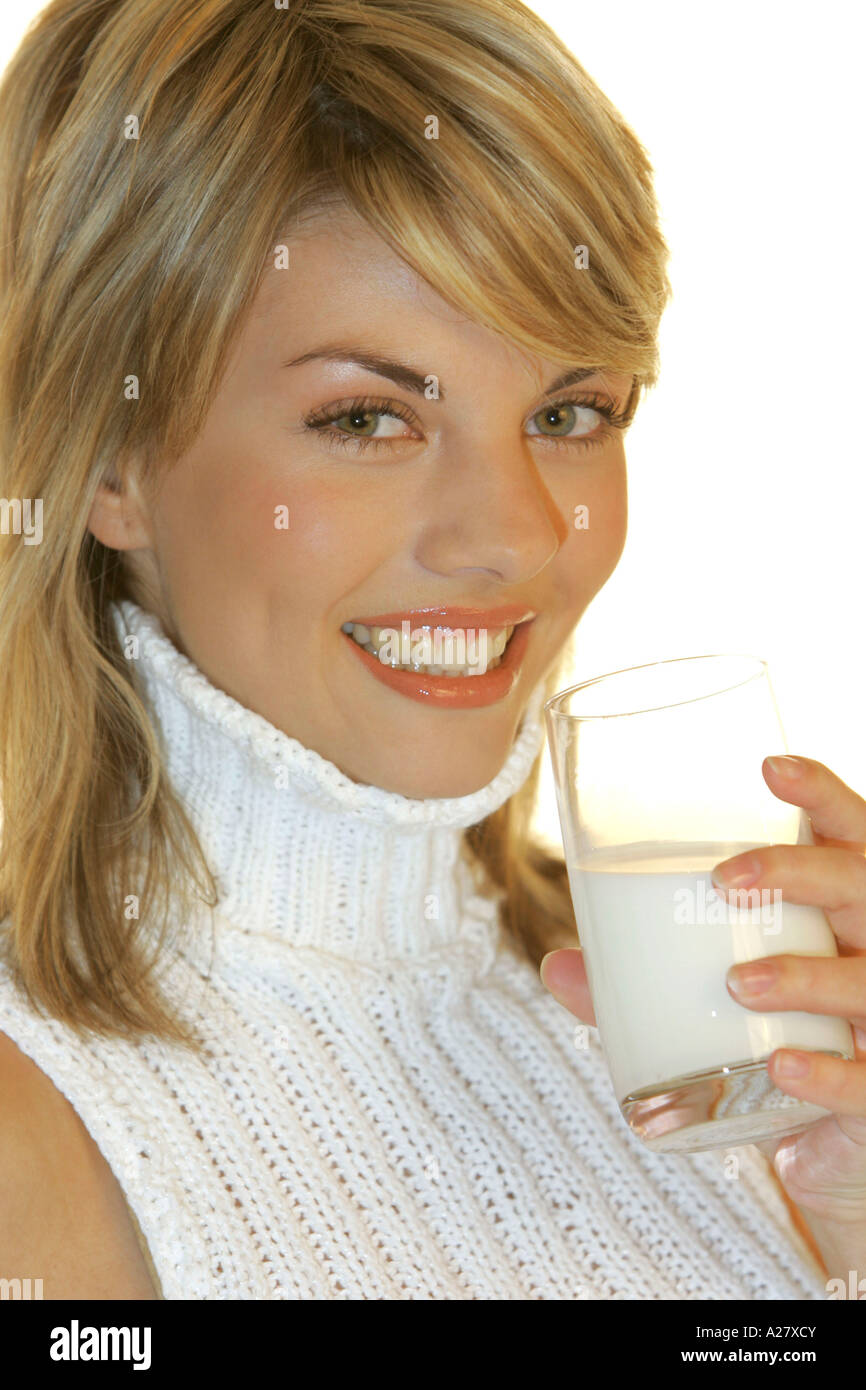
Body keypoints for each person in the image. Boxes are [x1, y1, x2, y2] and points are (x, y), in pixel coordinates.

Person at [0, 0, 863, 1300]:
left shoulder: (733, 1025)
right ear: (109, 458)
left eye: (570, 409)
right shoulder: (38, 1121)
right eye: (366, 417)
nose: (514, 536)